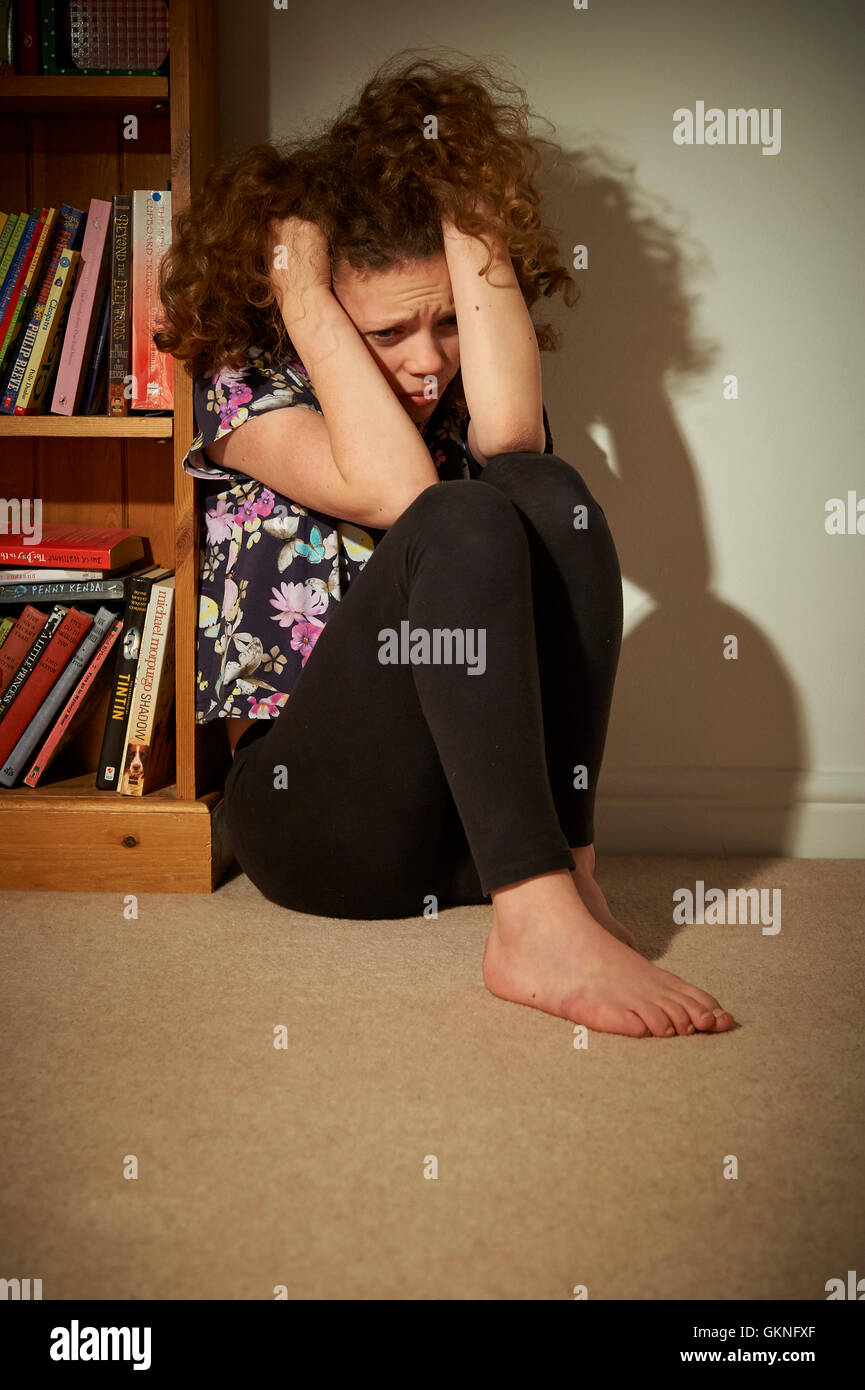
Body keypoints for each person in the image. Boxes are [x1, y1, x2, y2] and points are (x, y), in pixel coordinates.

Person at [156, 50, 734, 1039]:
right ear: (320, 321)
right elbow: (398, 493)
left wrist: (475, 219)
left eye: (445, 324)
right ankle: (535, 921)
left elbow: (511, 440)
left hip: (462, 838)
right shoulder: (246, 391)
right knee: (457, 515)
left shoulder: (457, 401)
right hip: (317, 832)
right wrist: (300, 293)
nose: (427, 364)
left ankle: (563, 884)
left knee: (544, 487)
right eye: (389, 334)